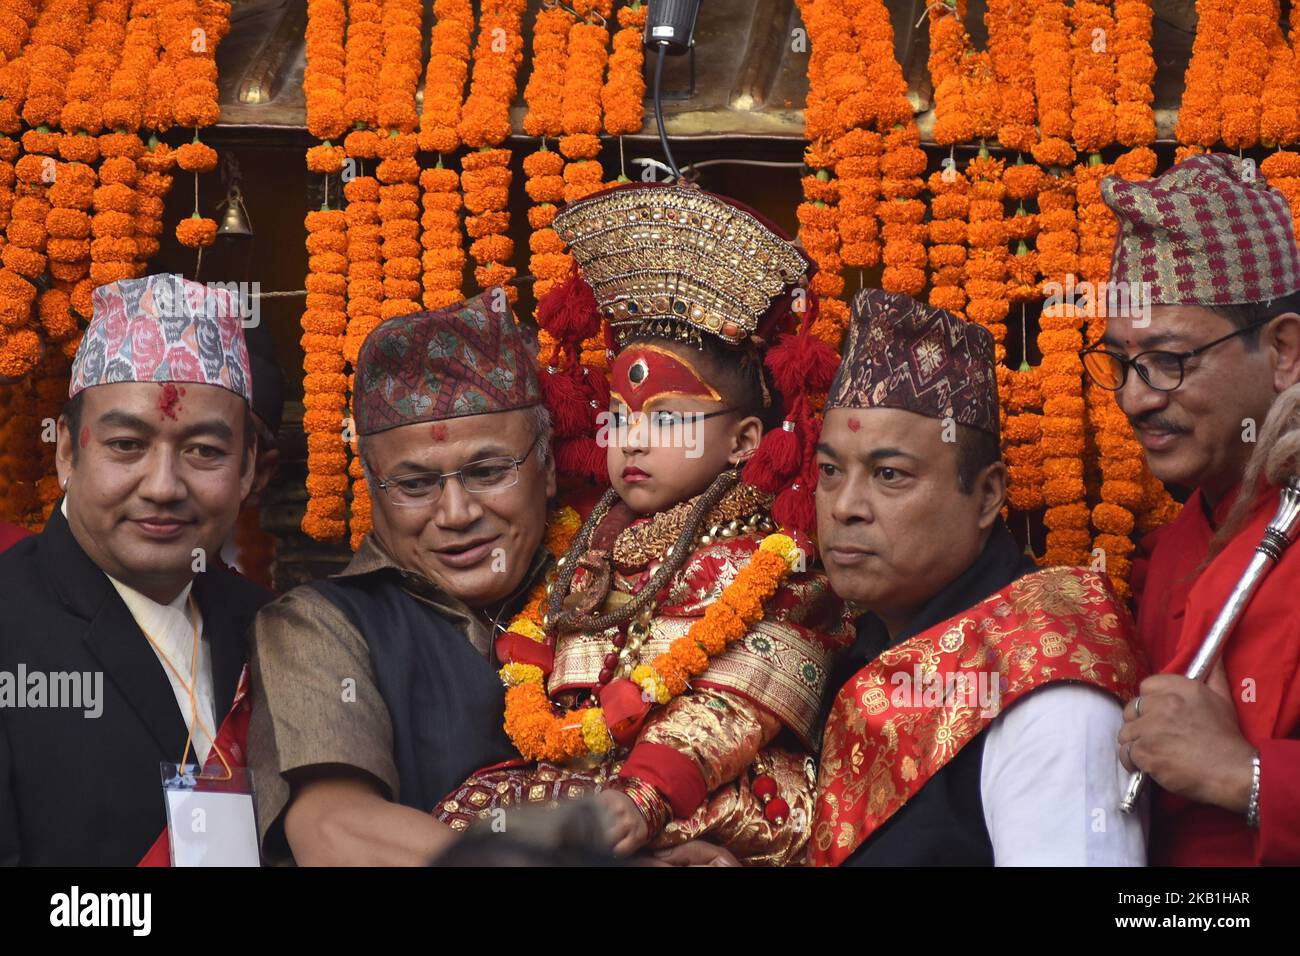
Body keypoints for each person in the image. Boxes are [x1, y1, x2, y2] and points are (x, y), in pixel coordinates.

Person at [435, 181, 852, 866]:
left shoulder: (776, 559)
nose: (630, 440)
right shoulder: (582, 542)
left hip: (707, 788)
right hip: (586, 781)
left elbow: (741, 704)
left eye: (666, 418)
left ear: (746, 440)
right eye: (622, 418)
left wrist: (646, 793)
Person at [810, 288, 1145, 866]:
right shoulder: (852, 645)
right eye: (830, 471)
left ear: (987, 495)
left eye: (888, 474)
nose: (844, 506)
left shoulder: (1047, 685)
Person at [247, 289, 556, 866]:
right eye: (415, 485)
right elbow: (336, 829)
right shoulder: (321, 625)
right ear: (373, 488)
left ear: (549, 467)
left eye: (488, 471)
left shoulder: (609, 590)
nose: (457, 512)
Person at [0, 273, 271, 865]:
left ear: (248, 466)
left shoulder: (274, 629)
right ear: (67, 451)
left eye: (204, 450)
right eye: (126, 444)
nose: (164, 487)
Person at [1091, 153, 1300, 864]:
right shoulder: (1181, 545)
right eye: (1121, 362)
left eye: (1169, 360)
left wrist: (1244, 778)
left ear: (1283, 352)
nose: (1135, 397)